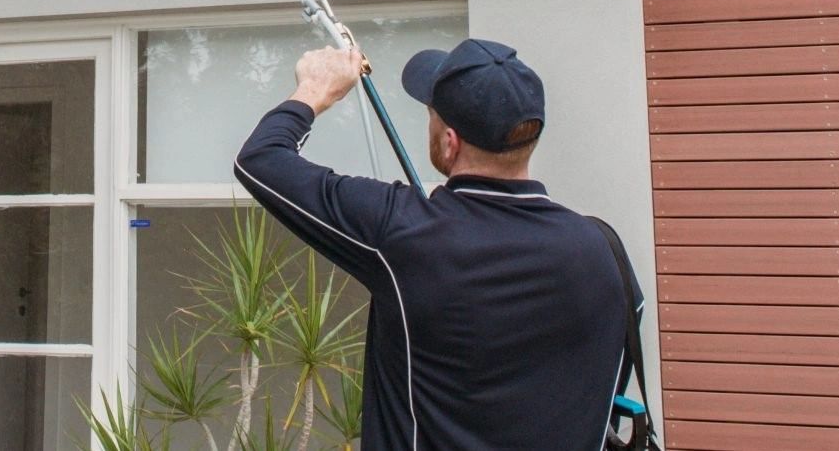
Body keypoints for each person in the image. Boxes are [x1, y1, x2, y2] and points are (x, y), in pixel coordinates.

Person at [235, 38, 639, 451]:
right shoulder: (603, 250)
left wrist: (313, 92)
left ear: (450, 142)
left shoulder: (405, 232)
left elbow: (262, 159)